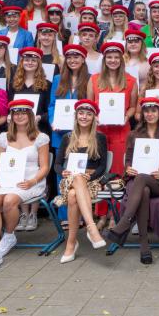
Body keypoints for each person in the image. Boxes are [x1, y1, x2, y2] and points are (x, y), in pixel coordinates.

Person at [0, 100, 51, 271]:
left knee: (9, 200)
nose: (19, 116)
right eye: (16, 113)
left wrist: (32, 181)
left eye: (23, 112)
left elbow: (44, 167)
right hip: (6, 180)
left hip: (30, 181)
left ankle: (9, 235)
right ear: (11, 117)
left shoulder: (40, 138)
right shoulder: (3, 138)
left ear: (30, 115)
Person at [106, 97, 159, 263]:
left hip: (157, 183)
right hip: (137, 181)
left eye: (153, 110)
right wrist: (128, 168)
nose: (150, 114)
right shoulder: (134, 134)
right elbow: (128, 160)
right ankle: (144, 244)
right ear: (142, 113)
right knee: (143, 190)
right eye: (146, 111)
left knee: (145, 180)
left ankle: (123, 224)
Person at [54, 99, 109, 262]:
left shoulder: (100, 138)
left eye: (88, 114)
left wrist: (90, 176)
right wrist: (63, 172)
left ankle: (71, 243)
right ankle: (92, 228)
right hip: (69, 179)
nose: (84, 117)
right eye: (81, 113)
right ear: (76, 115)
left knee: (73, 196)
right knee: (76, 178)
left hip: (91, 181)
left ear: (94, 118)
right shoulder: (67, 137)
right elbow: (56, 164)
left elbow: (102, 166)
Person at [90, 42, 138, 198]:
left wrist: (127, 116)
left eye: (116, 57)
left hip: (121, 132)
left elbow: (132, 107)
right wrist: (95, 117)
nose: (113, 60)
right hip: (100, 132)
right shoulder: (94, 79)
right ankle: (102, 213)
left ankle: (115, 213)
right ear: (104, 60)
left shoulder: (130, 81)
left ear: (121, 60)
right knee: (101, 170)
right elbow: (89, 105)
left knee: (118, 170)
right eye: (109, 57)